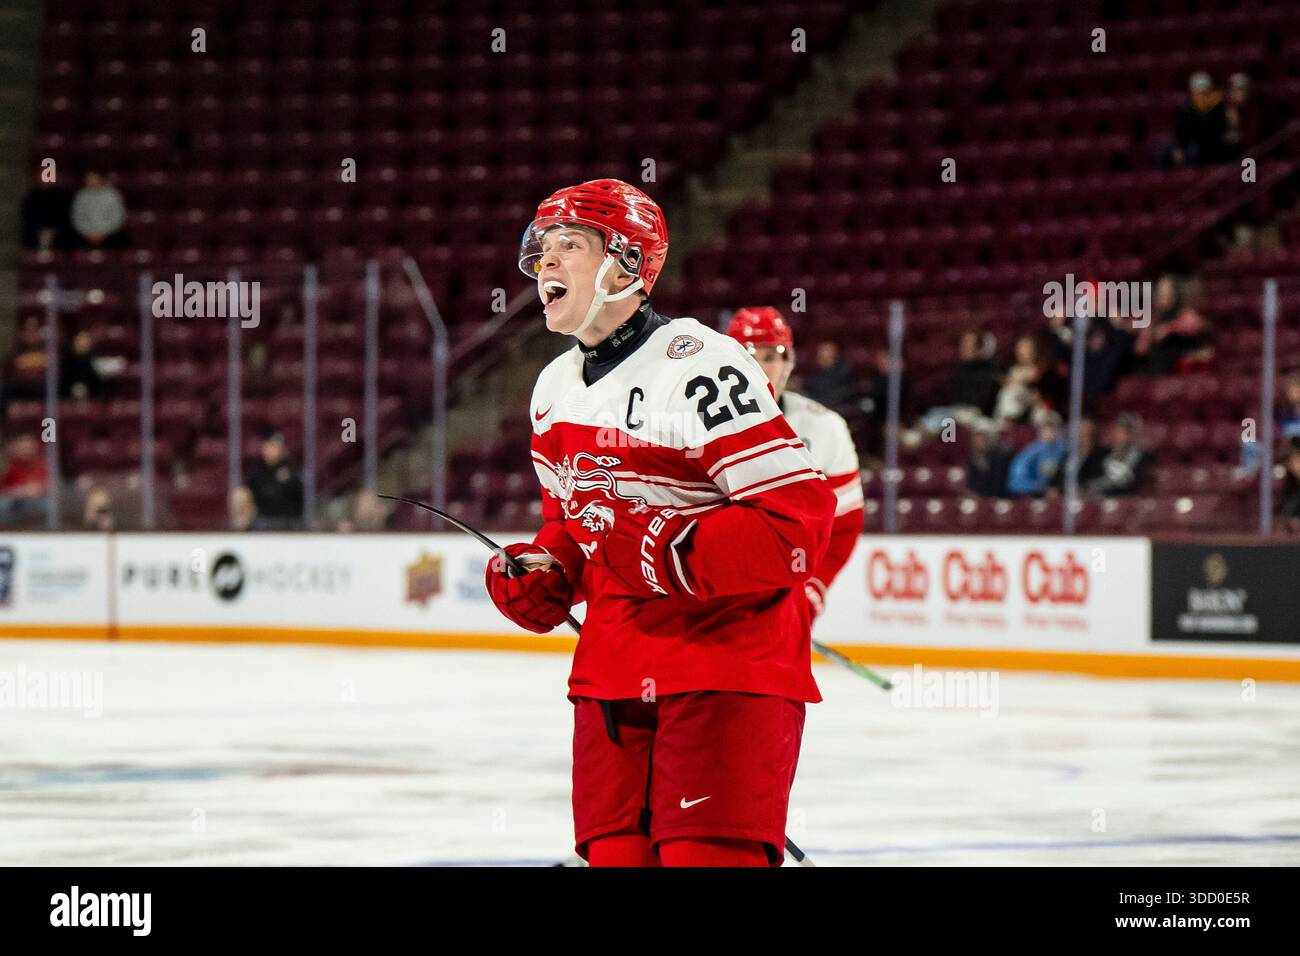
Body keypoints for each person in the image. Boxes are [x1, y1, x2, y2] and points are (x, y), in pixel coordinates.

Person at [483, 179, 834, 868]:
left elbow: (797, 526)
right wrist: (551, 570)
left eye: (569, 247)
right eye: (543, 249)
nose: (546, 264)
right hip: (613, 671)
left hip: (726, 668)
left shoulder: (701, 364)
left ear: (627, 265)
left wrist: (665, 550)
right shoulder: (552, 387)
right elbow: (576, 523)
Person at [725, 306, 864, 620]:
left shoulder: (825, 428)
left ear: (789, 362)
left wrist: (814, 588)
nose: (760, 366)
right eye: (747, 354)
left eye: (772, 355)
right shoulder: (692, 426)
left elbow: (845, 522)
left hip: (782, 600)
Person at [244, 433, 303, 529]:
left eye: (274, 447)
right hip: (262, 517)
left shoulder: (292, 468)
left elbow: (298, 495)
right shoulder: (258, 470)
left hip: (289, 519)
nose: (271, 450)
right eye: (269, 447)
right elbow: (248, 490)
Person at [1085, 414, 1152, 497]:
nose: (1117, 436)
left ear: (1131, 435)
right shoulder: (1102, 454)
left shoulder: (1141, 456)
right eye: (1117, 432)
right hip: (1100, 495)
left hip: (1124, 497)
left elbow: (1129, 482)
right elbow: (1090, 475)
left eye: (1122, 433)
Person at [1171, 72, 1227, 167]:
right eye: (1197, 91)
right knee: (1161, 153)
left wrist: (1205, 111)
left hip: (1207, 145)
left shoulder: (1218, 109)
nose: (1201, 95)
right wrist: (1178, 147)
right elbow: (1179, 132)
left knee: (1194, 151)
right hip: (1188, 144)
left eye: (1204, 92)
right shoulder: (1186, 110)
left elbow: (1215, 131)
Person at [1006, 410, 1067, 497]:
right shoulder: (1032, 452)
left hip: (1057, 493)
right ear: (1040, 430)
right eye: (1046, 428)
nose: (1050, 432)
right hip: (1032, 495)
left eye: (1053, 427)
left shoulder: (1063, 451)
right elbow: (1016, 481)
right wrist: (1040, 488)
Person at [0, 435, 50, 525]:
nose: (26, 451)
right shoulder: (9, 467)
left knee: (49, 505)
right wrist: (17, 491)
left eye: (28, 448)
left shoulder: (42, 465)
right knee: (4, 504)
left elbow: (51, 485)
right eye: (22, 448)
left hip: (37, 500)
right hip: (15, 502)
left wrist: (37, 489)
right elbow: (3, 490)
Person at [70, 171, 127, 248]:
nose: (90, 181)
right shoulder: (81, 196)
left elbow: (118, 218)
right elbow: (77, 217)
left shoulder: (113, 195)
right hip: (86, 235)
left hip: (109, 234)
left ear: (100, 179)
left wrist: (103, 233)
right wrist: (88, 233)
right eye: (88, 179)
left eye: (93, 178)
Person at [966, 424, 1013, 497]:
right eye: (977, 439)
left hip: (1001, 495)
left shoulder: (1003, 455)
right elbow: (972, 482)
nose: (979, 443)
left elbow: (1000, 482)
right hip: (982, 495)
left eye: (982, 439)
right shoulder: (975, 456)